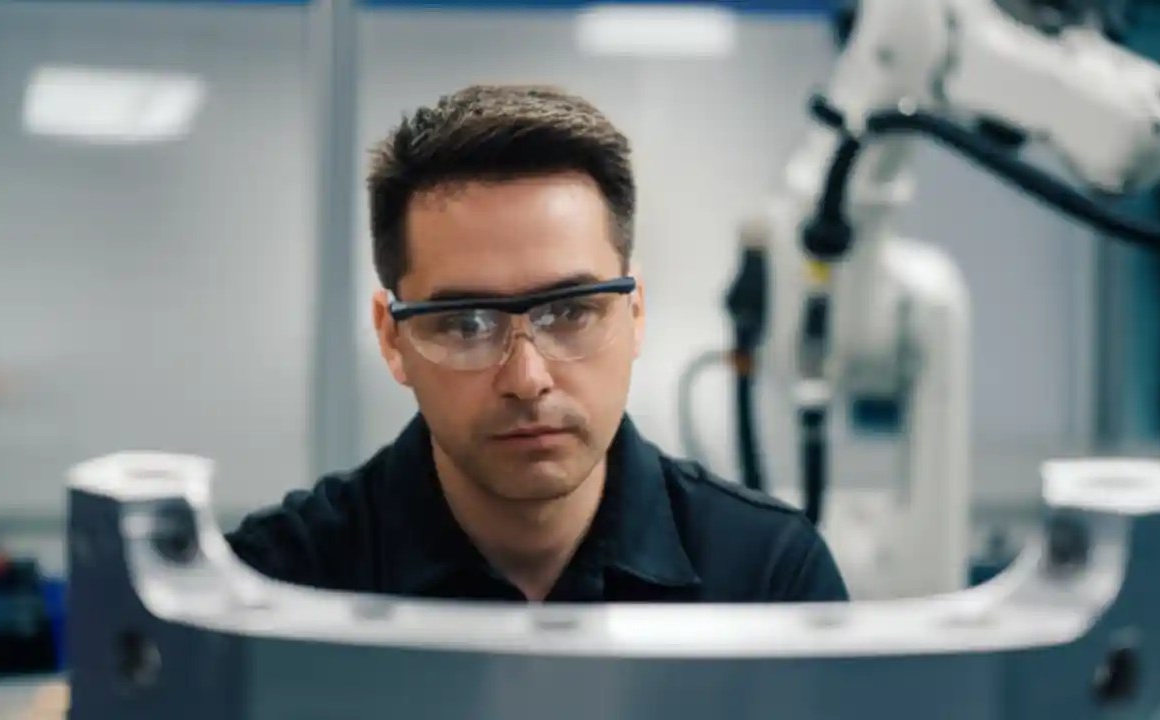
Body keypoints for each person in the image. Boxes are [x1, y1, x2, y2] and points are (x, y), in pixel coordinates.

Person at [225, 84, 849, 603]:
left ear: (635, 316)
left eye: (571, 311)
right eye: (465, 323)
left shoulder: (769, 583)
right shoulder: (276, 589)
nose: (526, 378)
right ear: (393, 338)